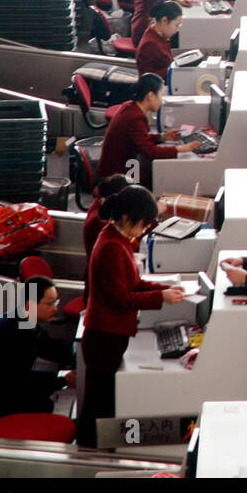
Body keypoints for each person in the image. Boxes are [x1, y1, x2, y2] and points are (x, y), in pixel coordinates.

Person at [77, 185, 184, 446]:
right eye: (144, 222)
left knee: (100, 399)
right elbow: (121, 298)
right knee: (99, 404)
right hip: (105, 335)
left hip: (109, 334)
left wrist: (165, 289)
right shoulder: (112, 247)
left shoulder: (116, 238)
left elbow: (133, 283)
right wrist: (161, 297)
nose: (146, 228)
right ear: (128, 218)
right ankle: (90, 452)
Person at [0, 275, 71, 432]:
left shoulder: (24, 321)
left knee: (41, 399)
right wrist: (62, 380)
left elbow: (50, 347)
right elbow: (17, 381)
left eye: (56, 302)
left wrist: (82, 353)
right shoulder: (13, 332)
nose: (56, 308)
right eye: (50, 303)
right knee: (41, 404)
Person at [96, 73, 201, 184]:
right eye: (161, 95)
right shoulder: (136, 117)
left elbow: (139, 138)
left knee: (154, 172)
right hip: (117, 176)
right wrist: (182, 149)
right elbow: (151, 152)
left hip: (120, 166)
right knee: (162, 179)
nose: (162, 100)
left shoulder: (130, 106)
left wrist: (163, 137)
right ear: (151, 95)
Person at [133, 0, 181, 81]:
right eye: (176, 25)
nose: (178, 30)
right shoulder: (150, 44)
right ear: (164, 21)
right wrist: (175, 70)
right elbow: (148, 77)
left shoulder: (157, 33)